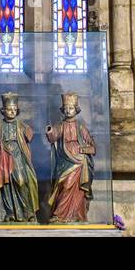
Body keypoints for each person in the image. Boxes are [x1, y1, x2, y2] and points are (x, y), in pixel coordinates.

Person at [0, 92, 40, 222]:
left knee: (22, 182)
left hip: (18, 157)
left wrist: (28, 131)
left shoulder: (21, 125)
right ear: (3, 111)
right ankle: (9, 213)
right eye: (9, 110)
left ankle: (27, 212)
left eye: (14, 110)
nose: (12, 112)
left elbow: (29, 135)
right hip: (4, 159)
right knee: (6, 186)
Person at [45, 92, 96, 222]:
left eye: (71, 108)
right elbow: (53, 137)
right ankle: (59, 215)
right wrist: (50, 130)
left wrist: (83, 149)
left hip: (79, 162)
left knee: (77, 189)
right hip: (65, 160)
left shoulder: (80, 127)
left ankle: (76, 215)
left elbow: (92, 146)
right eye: (66, 108)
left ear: (76, 110)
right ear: (63, 110)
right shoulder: (61, 125)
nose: (68, 111)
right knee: (65, 185)